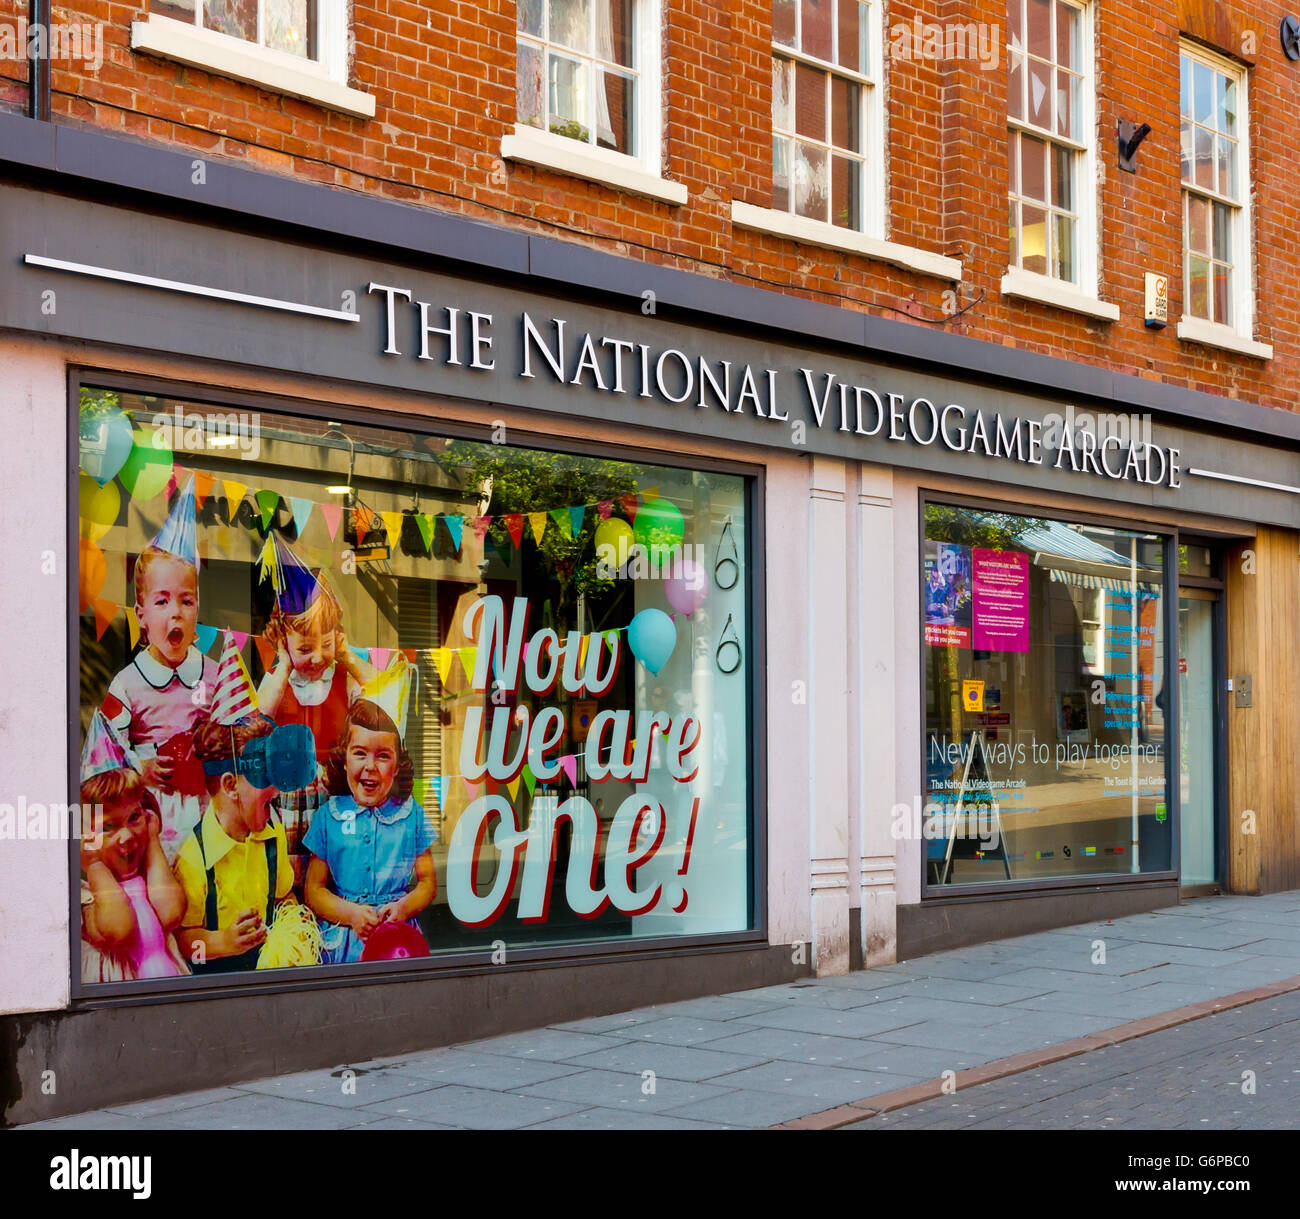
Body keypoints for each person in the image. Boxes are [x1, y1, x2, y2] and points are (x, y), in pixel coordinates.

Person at [100, 476, 217, 861]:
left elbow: (239, 736)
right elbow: (103, 756)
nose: (175, 613)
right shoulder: (127, 685)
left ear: (197, 609)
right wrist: (141, 768)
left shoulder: (215, 675)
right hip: (153, 823)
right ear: (142, 614)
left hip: (209, 816)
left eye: (186, 601)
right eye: (162, 601)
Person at [255, 549, 375, 892]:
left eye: (325, 644)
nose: (317, 657)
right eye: (305, 649)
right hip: (289, 804)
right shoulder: (279, 680)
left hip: (336, 801)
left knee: (335, 878)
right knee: (290, 881)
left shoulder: (341, 676)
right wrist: (284, 665)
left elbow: (384, 691)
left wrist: (347, 656)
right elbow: (259, 716)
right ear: (281, 640)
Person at [303, 699, 437, 964]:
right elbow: (313, 890)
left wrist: (403, 907)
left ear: (397, 766)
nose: (370, 766)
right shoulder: (328, 817)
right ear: (344, 760)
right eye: (360, 753)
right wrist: (351, 914)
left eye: (383, 756)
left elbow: (428, 882)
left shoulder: (412, 816)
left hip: (397, 940)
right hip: (343, 938)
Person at [174, 714, 294, 973]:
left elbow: (284, 897)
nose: (278, 787)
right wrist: (224, 942)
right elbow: (184, 941)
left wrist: (293, 930)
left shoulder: (273, 836)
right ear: (230, 785)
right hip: (220, 982)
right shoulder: (194, 858)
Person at [79, 759, 189, 983]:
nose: (127, 836)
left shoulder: (153, 872)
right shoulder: (82, 891)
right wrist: (93, 864)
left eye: (135, 818)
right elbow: (119, 930)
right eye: (108, 827)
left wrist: (153, 843)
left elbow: (171, 915)